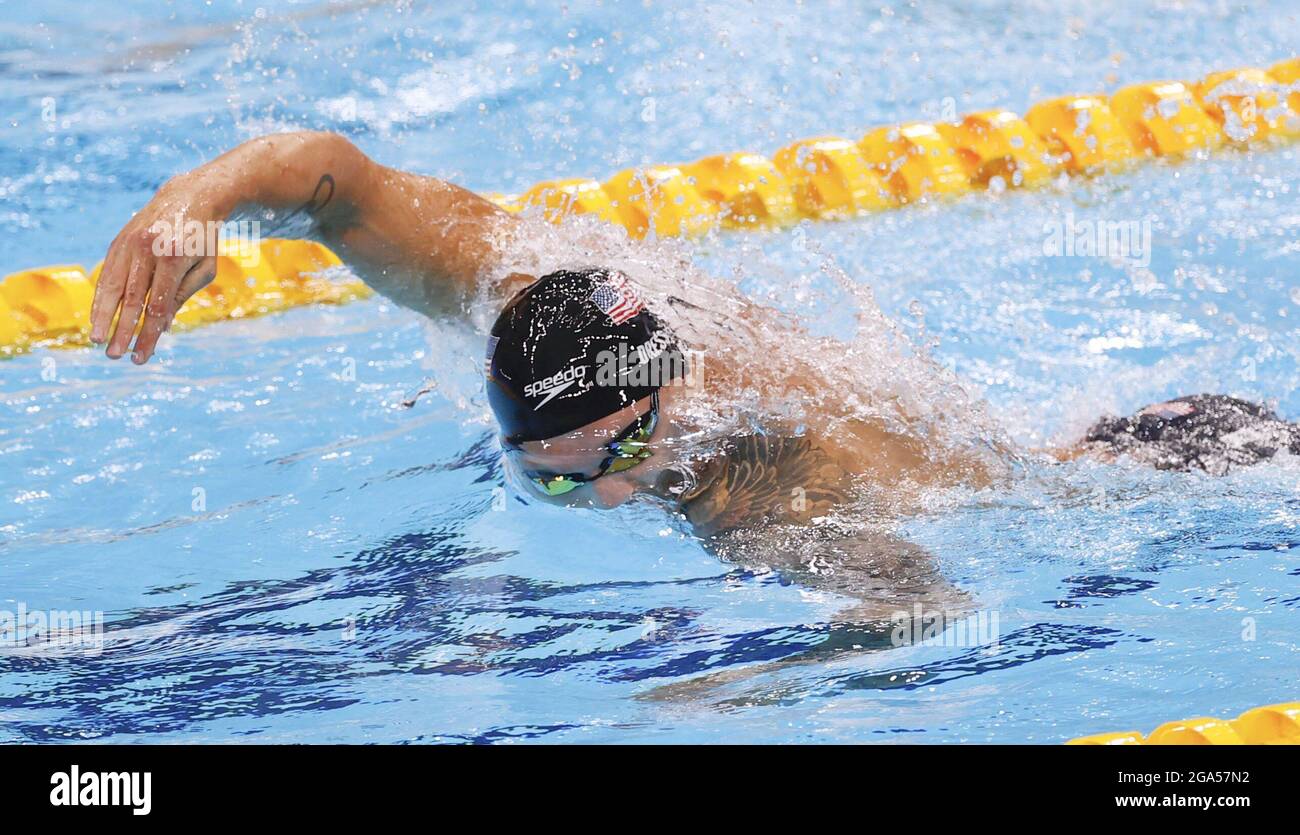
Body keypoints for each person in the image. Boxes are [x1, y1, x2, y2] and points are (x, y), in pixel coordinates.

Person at [88, 131, 1300, 555]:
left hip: (1135, 477)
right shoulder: (524, 284)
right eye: (542, 472)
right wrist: (199, 197)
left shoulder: (755, 484)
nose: (582, 495)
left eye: (594, 465)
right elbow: (337, 182)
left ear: (666, 409)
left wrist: (745, 689)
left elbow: (913, 615)